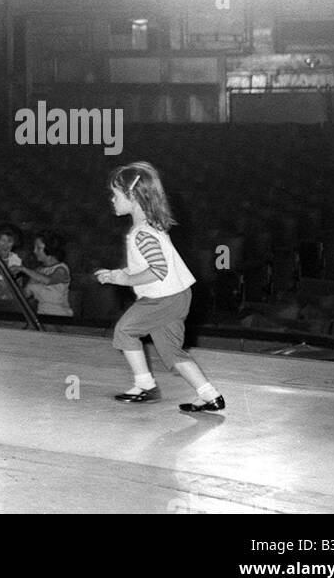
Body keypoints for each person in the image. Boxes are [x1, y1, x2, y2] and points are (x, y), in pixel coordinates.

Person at [96, 161, 225, 413]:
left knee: (124, 330)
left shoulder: (142, 233)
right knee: (172, 354)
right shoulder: (150, 228)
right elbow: (147, 266)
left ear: (132, 196)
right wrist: (117, 274)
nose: (112, 200)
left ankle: (145, 385)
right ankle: (210, 395)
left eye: (116, 194)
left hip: (163, 299)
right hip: (176, 296)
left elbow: (157, 270)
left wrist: (123, 280)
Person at [20, 230, 72, 317]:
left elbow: (48, 280)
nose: (35, 251)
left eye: (39, 248)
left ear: (50, 249)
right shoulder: (37, 271)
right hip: (42, 316)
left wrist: (23, 269)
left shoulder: (61, 269)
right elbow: (25, 294)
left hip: (60, 318)